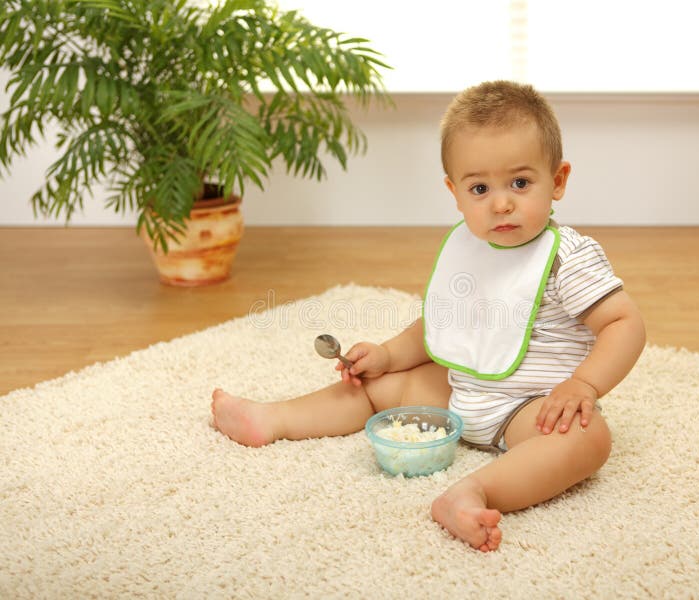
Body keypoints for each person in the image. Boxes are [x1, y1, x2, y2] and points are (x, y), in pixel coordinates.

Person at [211, 80, 646, 552]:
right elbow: (441, 324)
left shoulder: (568, 258)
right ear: (455, 193)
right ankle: (272, 418)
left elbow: (624, 324)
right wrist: (387, 354)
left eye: (520, 183)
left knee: (588, 439)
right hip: (459, 389)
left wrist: (583, 386)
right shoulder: (469, 248)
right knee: (375, 385)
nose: (501, 203)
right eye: (480, 188)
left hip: (530, 408)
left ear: (557, 180)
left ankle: (473, 492)